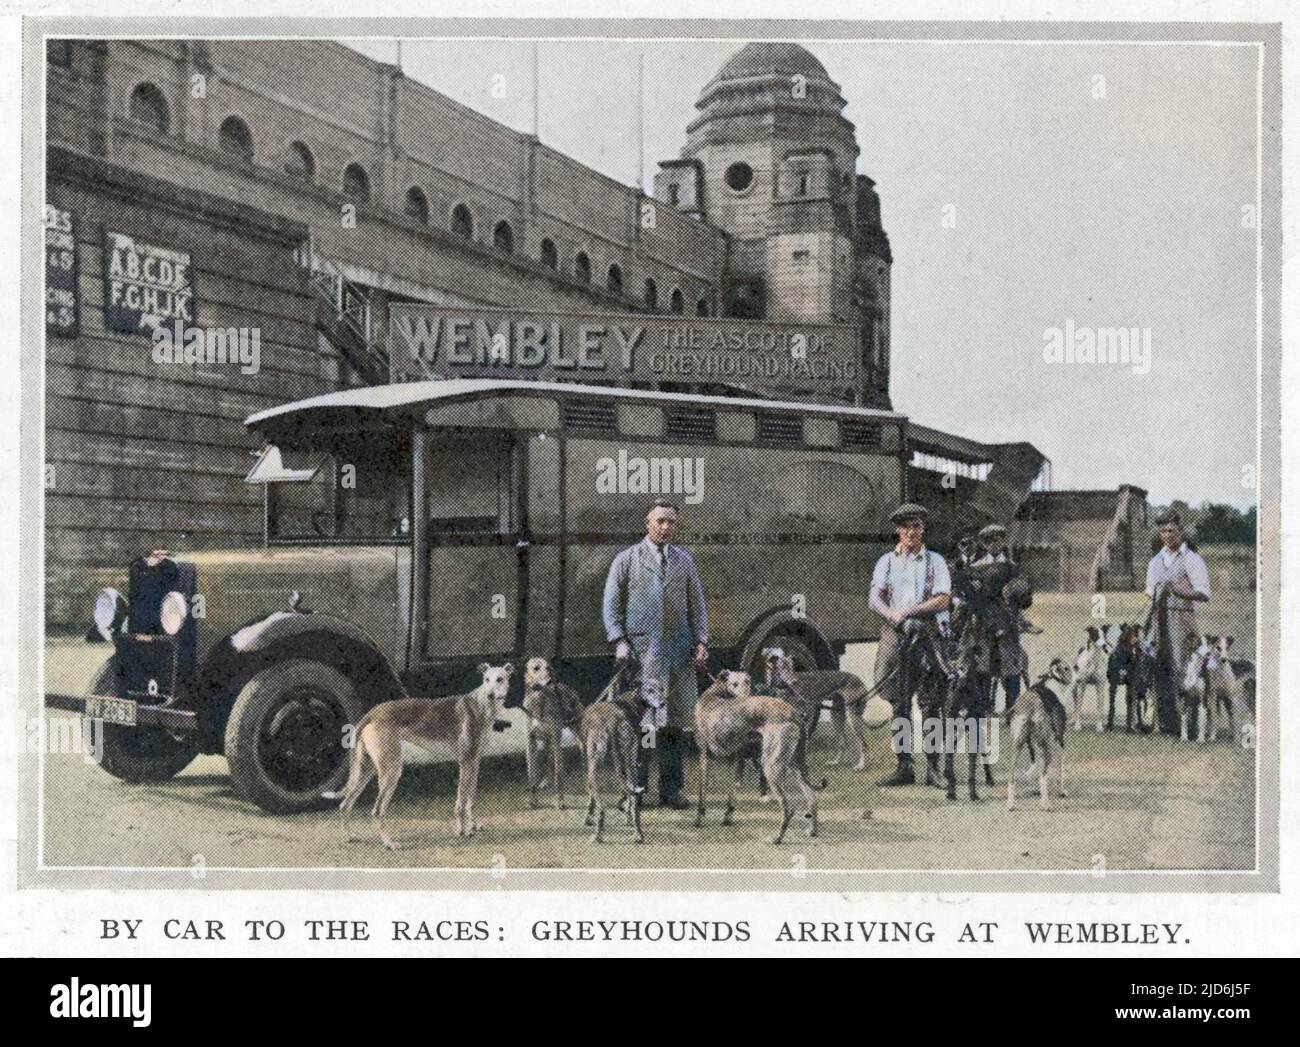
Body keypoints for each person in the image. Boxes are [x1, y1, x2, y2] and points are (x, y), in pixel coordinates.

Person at [601, 499, 709, 809]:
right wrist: (620, 640)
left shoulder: (684, 561)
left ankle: (672, 791)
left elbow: (697, 606)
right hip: (643, 655)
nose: (665, 527)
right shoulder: (626, 560)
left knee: (674, 724)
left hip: (679, 655)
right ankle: (636, 791)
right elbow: (611, 606)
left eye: (671, 522)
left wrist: (701, 641)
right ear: (647, 524)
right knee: (644, 724)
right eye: (660, 521)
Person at [869, 503, 953, 786]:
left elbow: (943, 599)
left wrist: (910, 612)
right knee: (899, 702)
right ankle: (904, 766)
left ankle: (933, 767)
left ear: (923, 528)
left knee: (931, 702)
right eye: (905, 526)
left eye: (916, 525)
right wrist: (894, 615)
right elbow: (875, 599)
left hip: (927, 633)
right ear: (898, 530)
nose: (910, 532)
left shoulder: (935, 562)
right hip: (896, 632)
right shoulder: (887, 562)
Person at [1144, 511, 1210, 736]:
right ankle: (1164, 724)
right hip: (1158, 618)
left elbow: (1204, 593)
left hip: (1182, 617)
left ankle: (1189, 726)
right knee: (1158, 667)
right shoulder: (1155, 561)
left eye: (1171, 530)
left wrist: (1184, 592)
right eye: (1163, 530)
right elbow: (1150, 592)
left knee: (1183, 668)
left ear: (1180, 531)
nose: (1167, 535)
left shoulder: (1192, 559)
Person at [969, 523, 1025, 716]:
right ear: (984, 544)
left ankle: (1012, 711)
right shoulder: (975, 568)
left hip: (1007, 625)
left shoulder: (1012, 567)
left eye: (999, 539)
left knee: (1010, 669)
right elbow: (972, 599)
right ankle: (984, 709)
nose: (995, 543)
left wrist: (1017, 593)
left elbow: (1024, 599)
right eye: (990, 540)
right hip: (983, 626)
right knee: (982, 668)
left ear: (1003, 542)